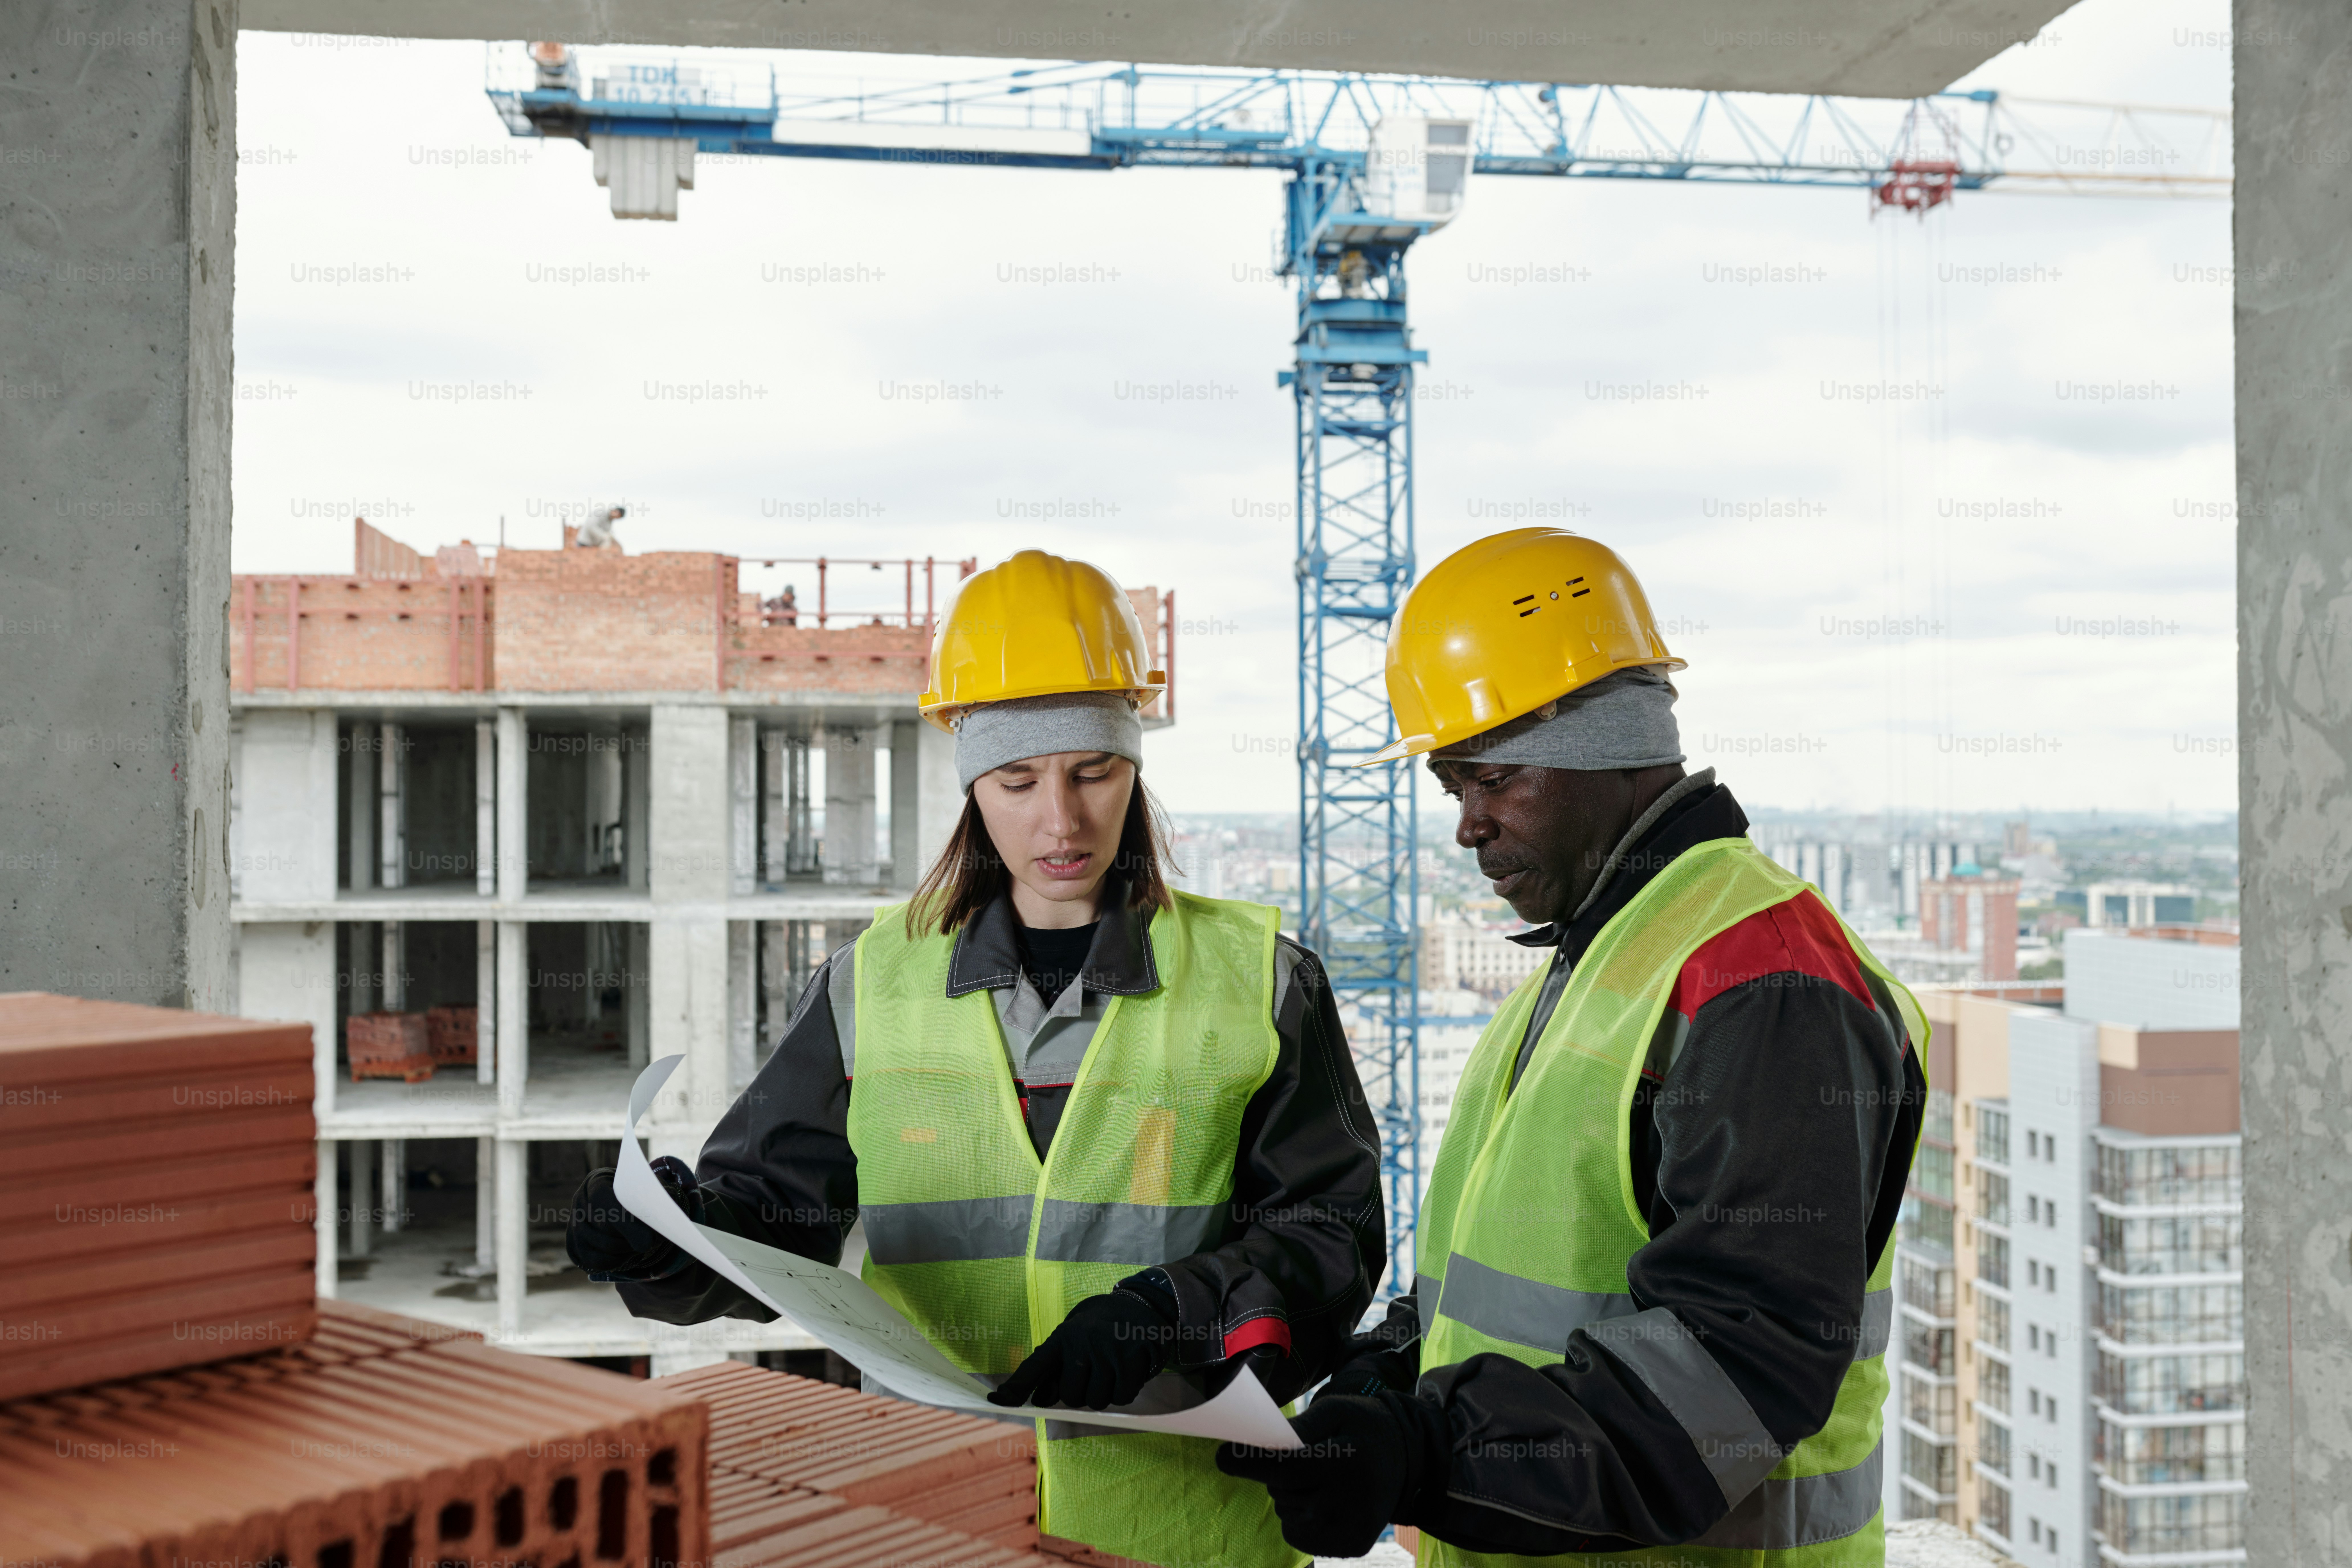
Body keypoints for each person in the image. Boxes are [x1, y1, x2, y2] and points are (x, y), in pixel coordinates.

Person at [567, 549, 1383, 1568]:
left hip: (1185, 1531)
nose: (1062, 819)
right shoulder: (871, 985)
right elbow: (776, 1221)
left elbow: (1332, 1237)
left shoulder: (1262, 979)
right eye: (1018, 779)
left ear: (1136, 763)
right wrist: (672, 1238)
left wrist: (1171, 1311)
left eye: (1096, 771)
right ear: (971, 783)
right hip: (939, 1519)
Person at [1219, 528, 1927, 1568]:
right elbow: (1514, 1280)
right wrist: (1390, 1372)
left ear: (1608, 746)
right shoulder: (1590, 963)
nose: (1468, 826)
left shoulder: (1762, 982)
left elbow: (1736, 1364)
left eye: (1493, 780)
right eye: (1453, 788)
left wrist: (1428, 1450)